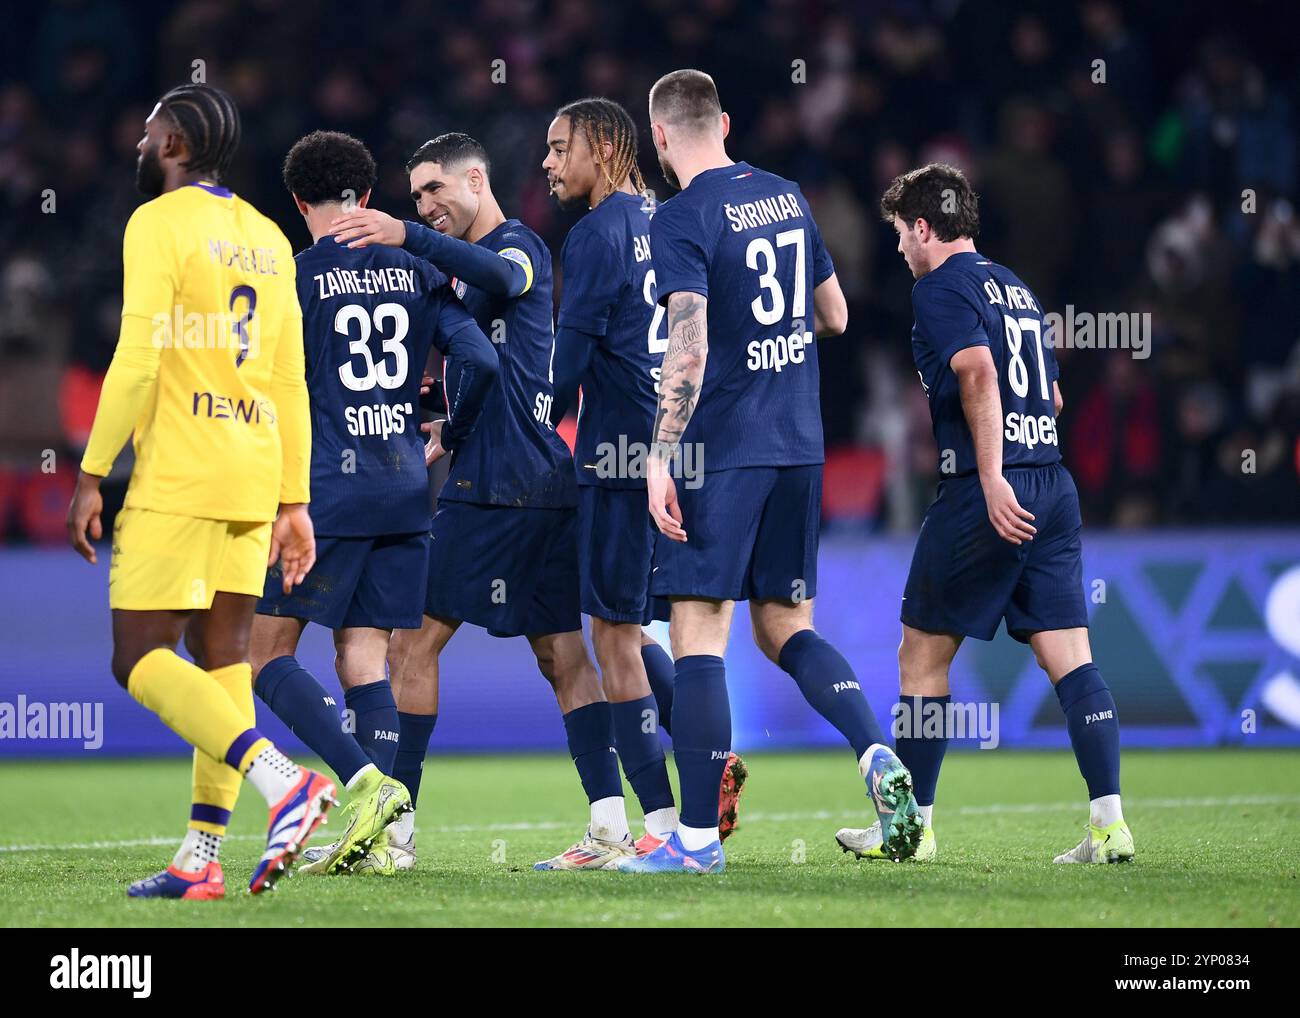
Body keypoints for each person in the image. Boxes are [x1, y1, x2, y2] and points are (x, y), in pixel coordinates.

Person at [619, 70, 921, 875]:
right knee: (787, 626)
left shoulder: (681, 217)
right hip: (801, 442)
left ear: (658, 139)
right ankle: (877, 757)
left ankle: (691, 845)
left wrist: (659, 456)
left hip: (725, 448)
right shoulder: (786, 193)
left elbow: (688, 345)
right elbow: (835, 315)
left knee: (697, 635)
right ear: (725, 121)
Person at [329, 134, 636, 869]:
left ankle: (394, 836)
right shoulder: (466, 272)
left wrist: (407, 237)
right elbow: (487, 368)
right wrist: (449, 422)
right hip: (539, 482)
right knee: (562, 655)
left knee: (412, 645)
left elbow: (503, 276)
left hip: (498, 486)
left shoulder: (518, 243)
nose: (427, 206)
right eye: (416, 200)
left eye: (435, 190)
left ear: (475, 178)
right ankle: (609, 826)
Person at [66, 84, 335, 898]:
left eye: (149, 132)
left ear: (177, 142)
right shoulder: (267, 236)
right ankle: (201, 860)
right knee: (222, 658)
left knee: (138, 657)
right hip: (253, 471)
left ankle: (284, 781)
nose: (140, 145)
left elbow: (139, 356)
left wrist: (89, 472)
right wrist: (293, 500)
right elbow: (290, 378)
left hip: (181, 470)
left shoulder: (156, 222)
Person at [836, 163, 1132, 865]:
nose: (901, 251)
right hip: (1052, 482)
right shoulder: (1017, 288)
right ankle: (1109, 826)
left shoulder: (940, 288)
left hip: (985, 486)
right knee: (1072, 659)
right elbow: (1054, 403)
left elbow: (975, 371)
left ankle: (912, 830)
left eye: (901, 236)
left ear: (923, 227)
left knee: (921, 654)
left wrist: (993, 477)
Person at [248, 130, 498, 877]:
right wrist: (447, 428)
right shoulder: (417, 269)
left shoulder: (294, 277)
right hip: (401, 484)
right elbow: (481, 359)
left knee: (264, 656)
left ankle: (367, 787)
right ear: (367, 195)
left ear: (299, 201)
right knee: (364, 657)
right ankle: (391, 842)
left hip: (328, 491)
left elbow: (267, 388)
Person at [542, 96, 749, 853]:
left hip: (618, 456)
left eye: (561, 147)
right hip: (684, 449)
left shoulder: (593, 235)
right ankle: (709, 763)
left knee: (613, 640)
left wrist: (532, 424)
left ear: (602, 146)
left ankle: (663, 824)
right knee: (636, 625)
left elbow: (568, 364)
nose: (549, 163)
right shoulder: (669, 219)